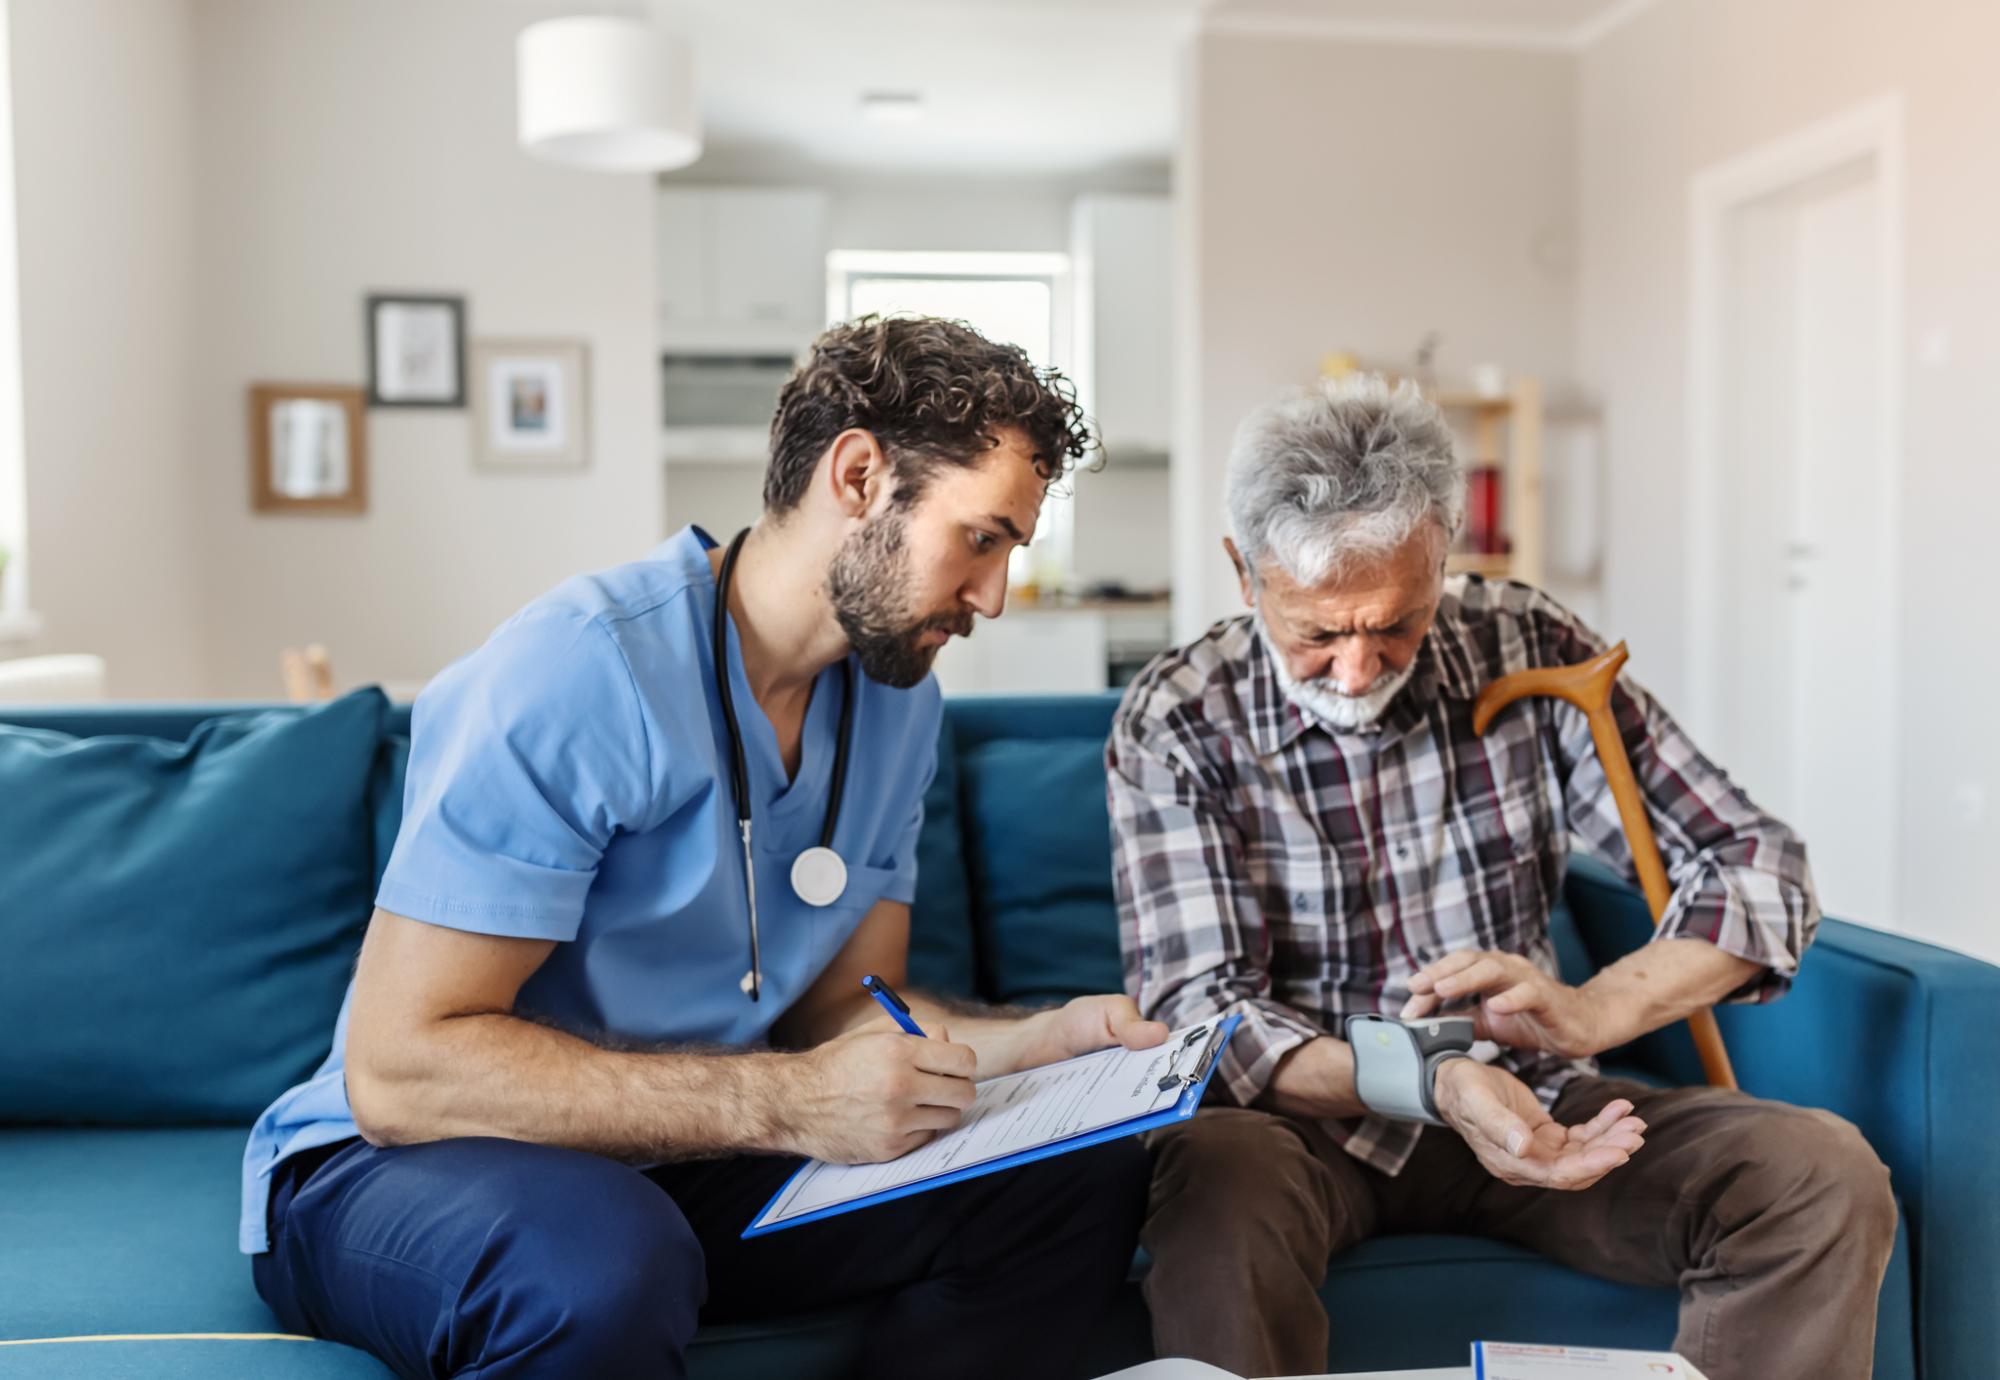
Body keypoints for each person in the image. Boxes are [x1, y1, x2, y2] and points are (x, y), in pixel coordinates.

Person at [241, 316, 1168, 1380]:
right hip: (409, 1161)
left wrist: (1033, 1048)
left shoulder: (898, 709)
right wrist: (784, 1102)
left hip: (680, 1155)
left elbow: (843, 1011)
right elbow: (397, 1069)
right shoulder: (581, 669)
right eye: (981, 537)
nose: (992, 597)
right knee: (600, 1264)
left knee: (1070, 1182)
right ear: (858, 475)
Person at [1107, 374, 1896, 1380]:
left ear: (1443, 548)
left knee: (1821, 1176)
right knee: (1211, 1179)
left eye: (1395, 621)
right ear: (1241, 570)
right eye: (1316, 632)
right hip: (1298, 1127)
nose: (1357, 671)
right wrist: (1431, 1079)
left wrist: (1588, 1013)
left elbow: (1757, 866)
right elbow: (1200, 1017)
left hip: (1536, 1101)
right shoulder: (1175, 716)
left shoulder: (1525, 644)